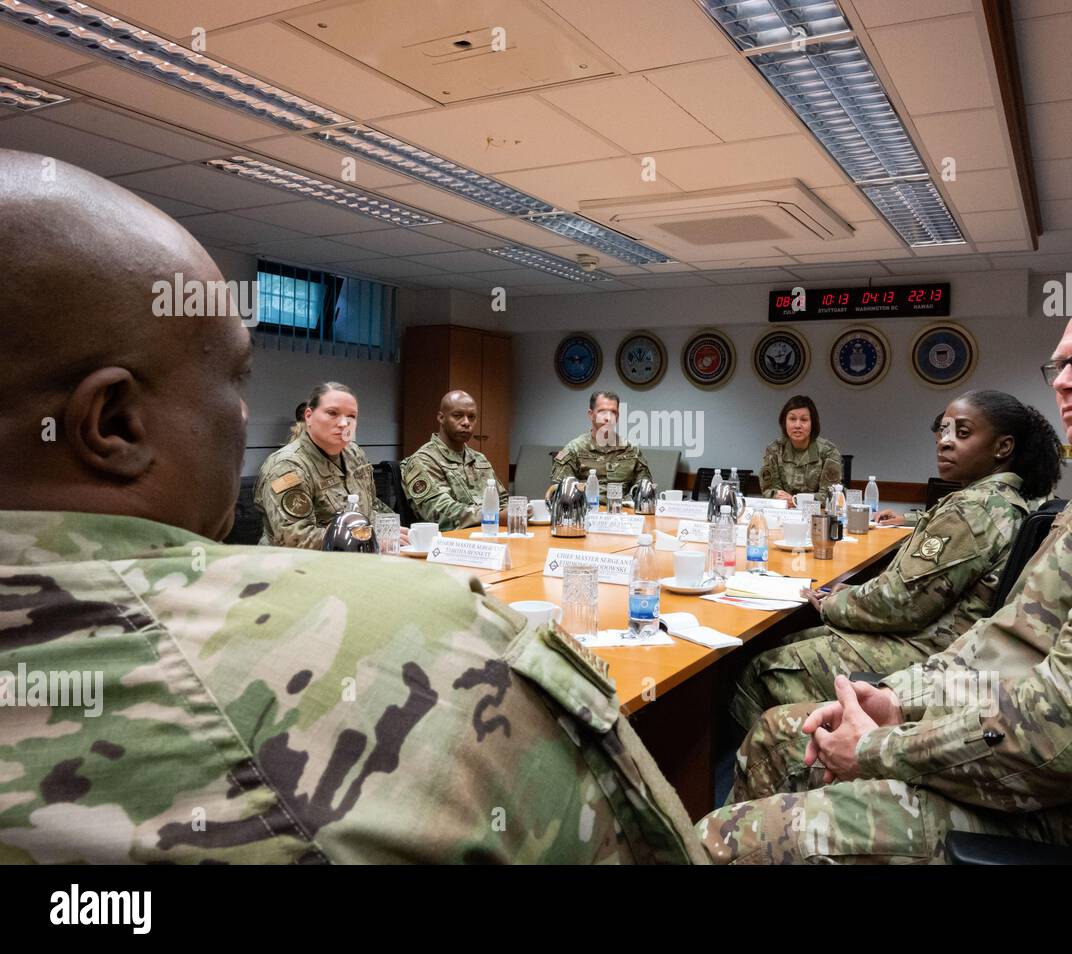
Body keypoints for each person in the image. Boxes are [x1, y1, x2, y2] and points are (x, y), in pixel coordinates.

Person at [0, 149, 704, 864]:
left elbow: (402, 516)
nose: (245, 412)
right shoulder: (435, 632)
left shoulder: (366, 464)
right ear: (114, 422)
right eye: (236, 379)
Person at [700, 287, 1072, 864]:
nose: (1064, 381)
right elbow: (1005, 653)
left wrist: (882, 748)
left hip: (1067, 823)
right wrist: (896, 702)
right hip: (1018, 760)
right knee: (783, 734)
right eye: (1060, 365)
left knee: (723, 841)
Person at [730, 391, 1061, 730]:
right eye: (943, 431)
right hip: (955, 642)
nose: (944, 443)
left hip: (931, 652)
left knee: (763, 667)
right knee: (789, 638)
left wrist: (833, 601)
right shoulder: (1003, 499)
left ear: (1002, 447)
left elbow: (900, 601)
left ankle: (789, 758)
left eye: (961, 433)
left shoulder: (973, 508)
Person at [255, 382, 403, 549]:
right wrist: (368, 535)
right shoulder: (287, 467)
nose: (343, 423)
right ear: (308, 416)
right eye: (332, 413)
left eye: (351, 416)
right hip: (297, 566)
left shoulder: (354, 454)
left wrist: (391, 529)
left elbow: (370, 506)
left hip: (357, 558)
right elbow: (295, 538)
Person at [401, 390, 504, 530]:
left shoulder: (479, 459)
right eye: (458, 416)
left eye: (472, 417)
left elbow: (503, 500)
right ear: (441, 418)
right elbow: (439, 513)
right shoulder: (423, 460)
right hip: (451, 542)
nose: (466, 423)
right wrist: (491, 515)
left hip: (488, 534)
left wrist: (519, 511)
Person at [550, 390, 652, 501]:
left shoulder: (631, 450)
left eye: (613, 412)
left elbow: (644, 488)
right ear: (591, 414)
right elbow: (559, 490)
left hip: (622, 511)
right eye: (602, 412)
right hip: (585, 511)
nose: (608, 417)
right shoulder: (574, 449)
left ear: (617, 416)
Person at [759, 395, 843, 503]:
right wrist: (780, 498)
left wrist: (795, 501)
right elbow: (769, 491)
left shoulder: (828, 452)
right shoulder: (774, 450)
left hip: (817, 515)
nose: (797, 425)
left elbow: (830, 495)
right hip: (783, 513)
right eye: (792, 419)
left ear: (813, 423)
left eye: (804, 419)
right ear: (784, 422)